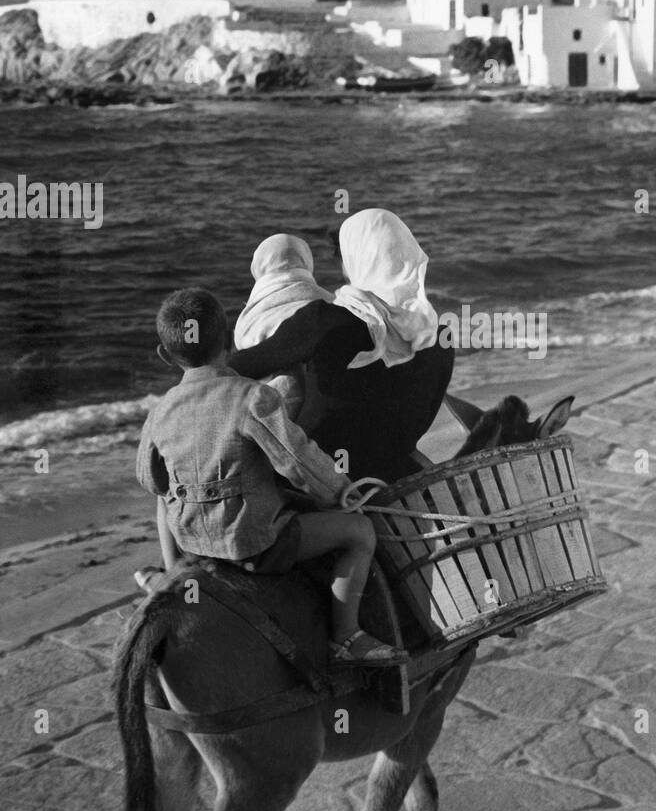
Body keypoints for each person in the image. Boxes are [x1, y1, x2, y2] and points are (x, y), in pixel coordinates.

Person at [136, 285, 406, 664]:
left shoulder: (159, 413)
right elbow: (299, 462)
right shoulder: (252, 398)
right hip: (255, 547)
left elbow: (149, 481)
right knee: (359, 533)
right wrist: (340, 492)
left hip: (192, 544)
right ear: (229, 338)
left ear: (165, 355)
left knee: (165, 495)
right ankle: (346, 637)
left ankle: (170, 574)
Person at [230, 209, 453, 485]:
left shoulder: (324, 320)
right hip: (394, 474)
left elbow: (240, 367)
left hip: (321, 481)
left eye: (344, 258)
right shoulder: (438, 337)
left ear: (357, 259)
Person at [233, 233, 333, 419]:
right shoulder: (330, 303)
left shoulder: (252, 314)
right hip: (323, 407)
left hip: (264, 414)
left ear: (258, 266)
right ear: (307, 261)